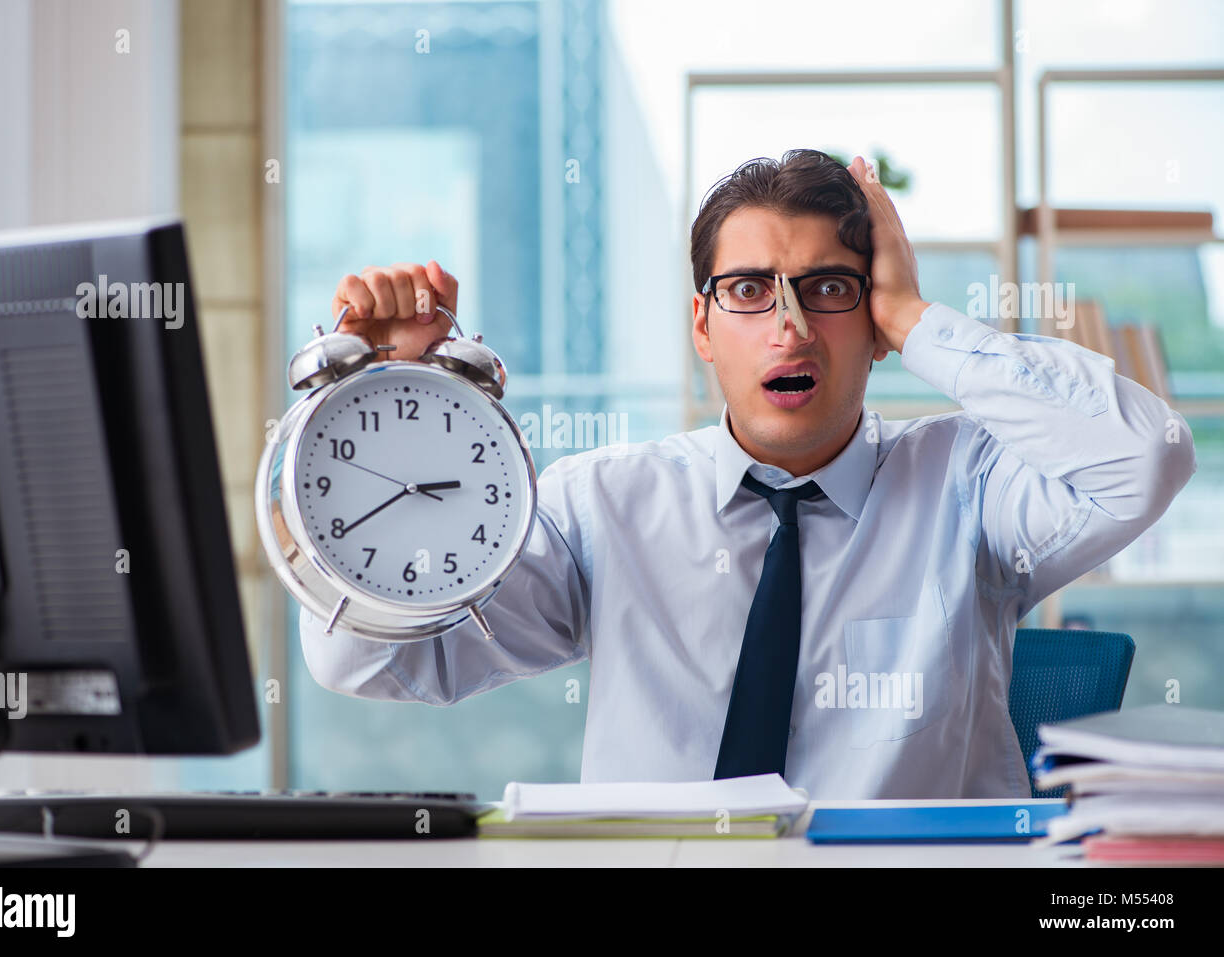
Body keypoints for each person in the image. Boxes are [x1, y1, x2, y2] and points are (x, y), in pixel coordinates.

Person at [298, 149, 1197, 798]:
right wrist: (386, 409)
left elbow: (1145, 455)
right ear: (702, 327)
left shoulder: (969, 486)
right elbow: (361, 657)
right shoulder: (602, 504)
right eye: (750, 290)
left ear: (874, 323)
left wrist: (917, 314)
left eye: (831, 289)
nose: (792, 327)